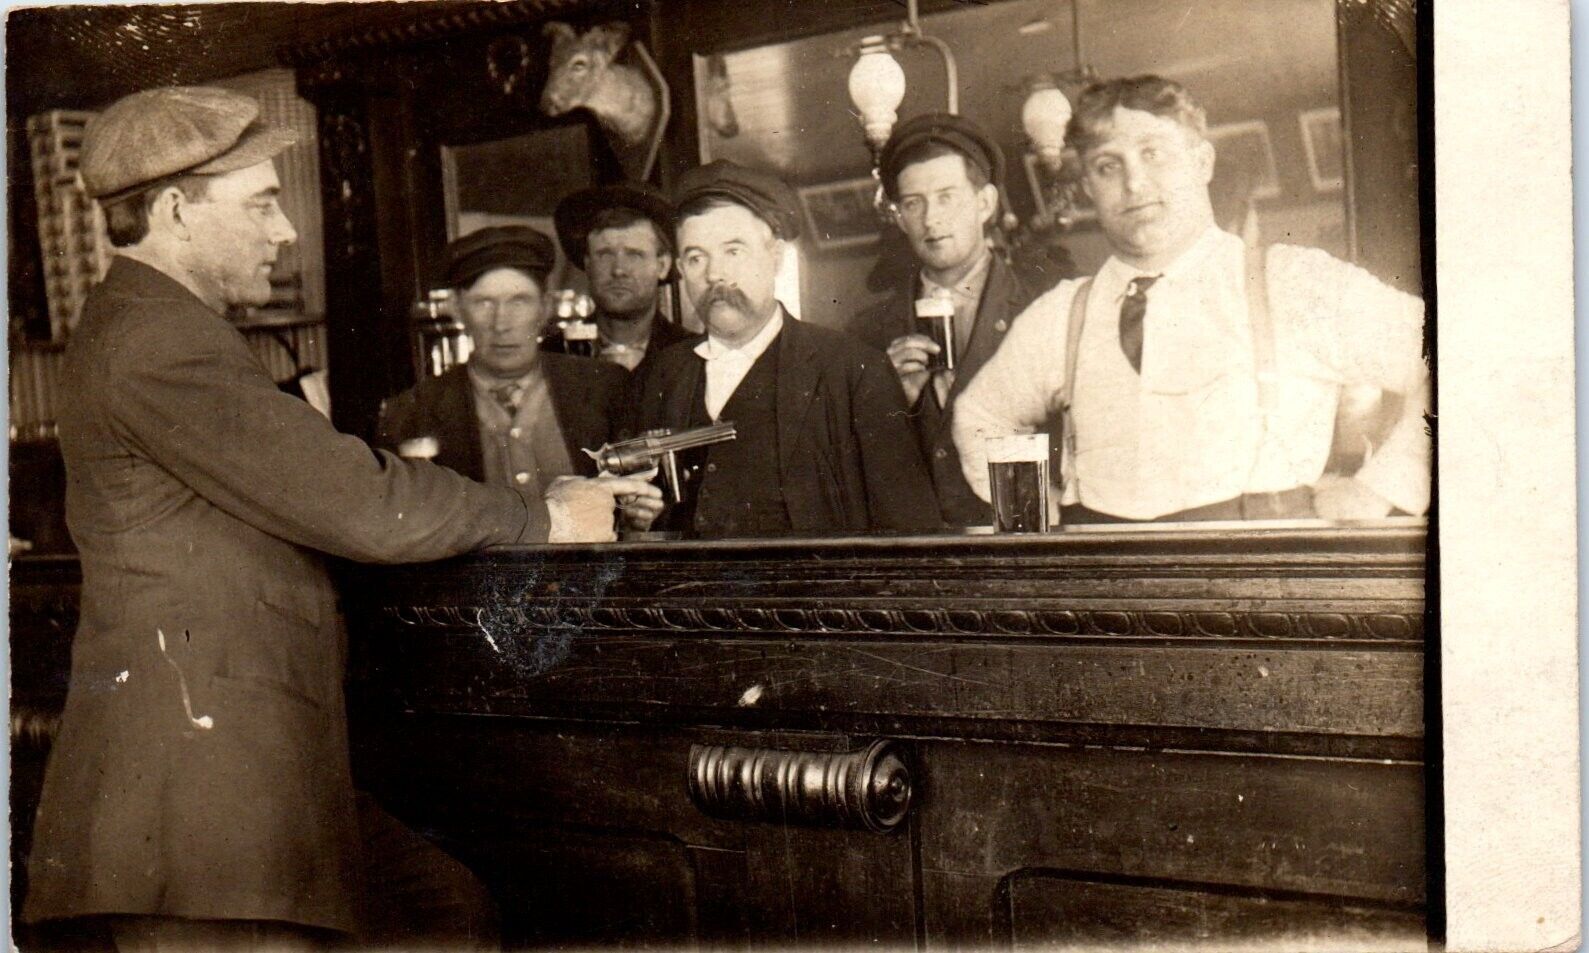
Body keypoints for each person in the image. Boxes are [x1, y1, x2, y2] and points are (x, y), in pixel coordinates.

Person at [21, 85, 661, 951]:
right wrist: (543, 514)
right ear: (175, 210)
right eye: (261, 203)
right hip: (207, 806)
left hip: (246, 780)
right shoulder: (158, 340)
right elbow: (360, 502)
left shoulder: (157, 327)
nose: (285, 232)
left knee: (446, 909)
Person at [953, 76, 1429, 523]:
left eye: (1153, 153)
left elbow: (1454, 357)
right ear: (1087, 189)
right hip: (1107, 587)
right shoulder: (1063, 313)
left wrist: (1382, 489)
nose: (1134, 183)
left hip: (1263, 576)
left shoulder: (1292, 281)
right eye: (1107, 167)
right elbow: (980, 417)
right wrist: (1038, 513)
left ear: (1202, 163)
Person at [627, 160, 940, 538]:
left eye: (733, 251)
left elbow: (908, 533)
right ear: (679, 268)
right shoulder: (661, 374)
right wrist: (638, 518)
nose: (715, 274)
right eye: (696, 257)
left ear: (774, 256)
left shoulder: (853, 370)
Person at [851, 113, 1065, 526]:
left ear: (985, 203)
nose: (931, 219)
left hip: (1020, 545)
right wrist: (883, 404)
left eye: (947, 196)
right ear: (898, 216)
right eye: (913, 203)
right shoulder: (866, 332)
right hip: (914, 557)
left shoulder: (1046, 308)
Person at [376, 226, 634, 498]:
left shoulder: (607, 389)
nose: (502, 323)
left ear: (544, 308)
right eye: (484, 303)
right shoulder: (411, 413)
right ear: (458, 310)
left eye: (519, 301)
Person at [545, 182, 689, 374]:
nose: (619, 270)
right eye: (605, 255)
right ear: (588, 265)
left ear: (662, 266)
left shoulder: (692, 356)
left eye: (634, 255)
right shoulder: (551, 356)